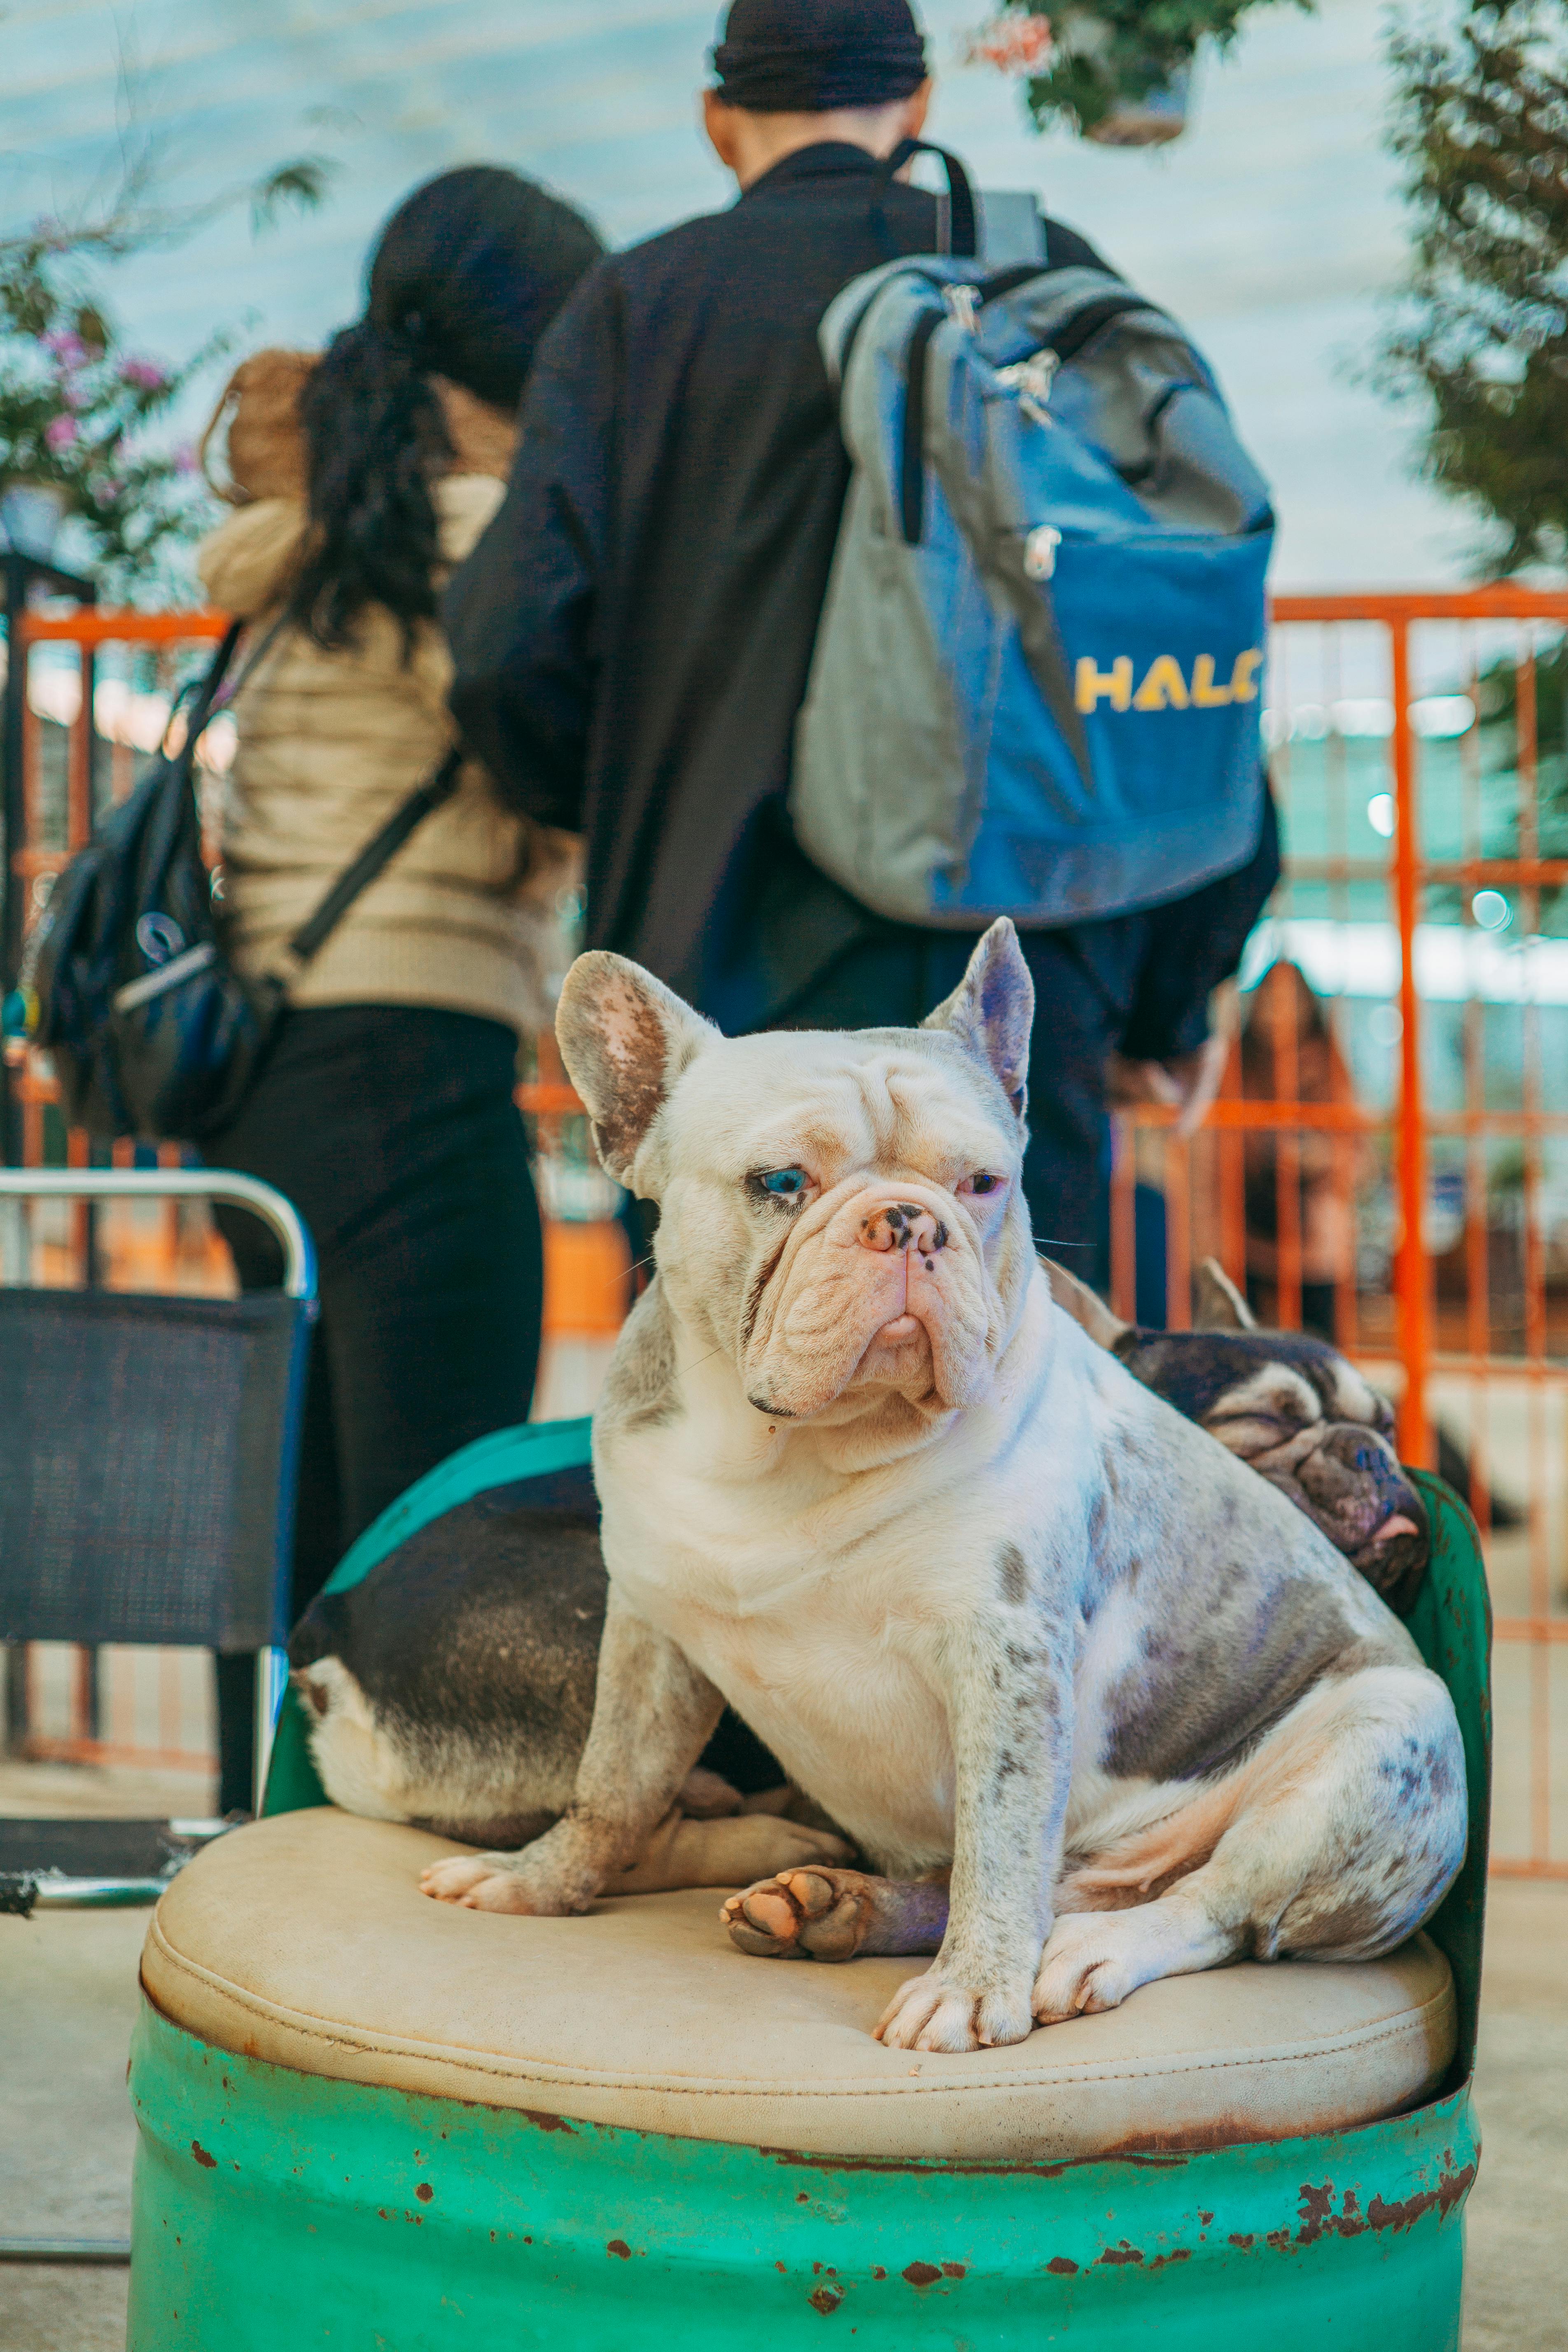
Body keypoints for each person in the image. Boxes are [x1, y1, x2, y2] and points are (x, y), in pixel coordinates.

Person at [444, 0, 1277, 1285]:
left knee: (730, 1425)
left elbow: (509, 644)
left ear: (719, 119)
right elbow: (1170, 639)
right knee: (1008, 1418)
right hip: (1017, 977)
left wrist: (629, 804)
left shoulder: (640, 307)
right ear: (922, 104)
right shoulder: (1046, 276)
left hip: (725, 986)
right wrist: (1168, 989)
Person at [197, 167, 604, 1810]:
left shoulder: (316, 548)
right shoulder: (474, 543)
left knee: (290, 1532)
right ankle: (366, 1925)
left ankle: (257, 1884)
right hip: (409, 1082)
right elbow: (555, 754)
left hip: (268, 1081)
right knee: (427, 1547)